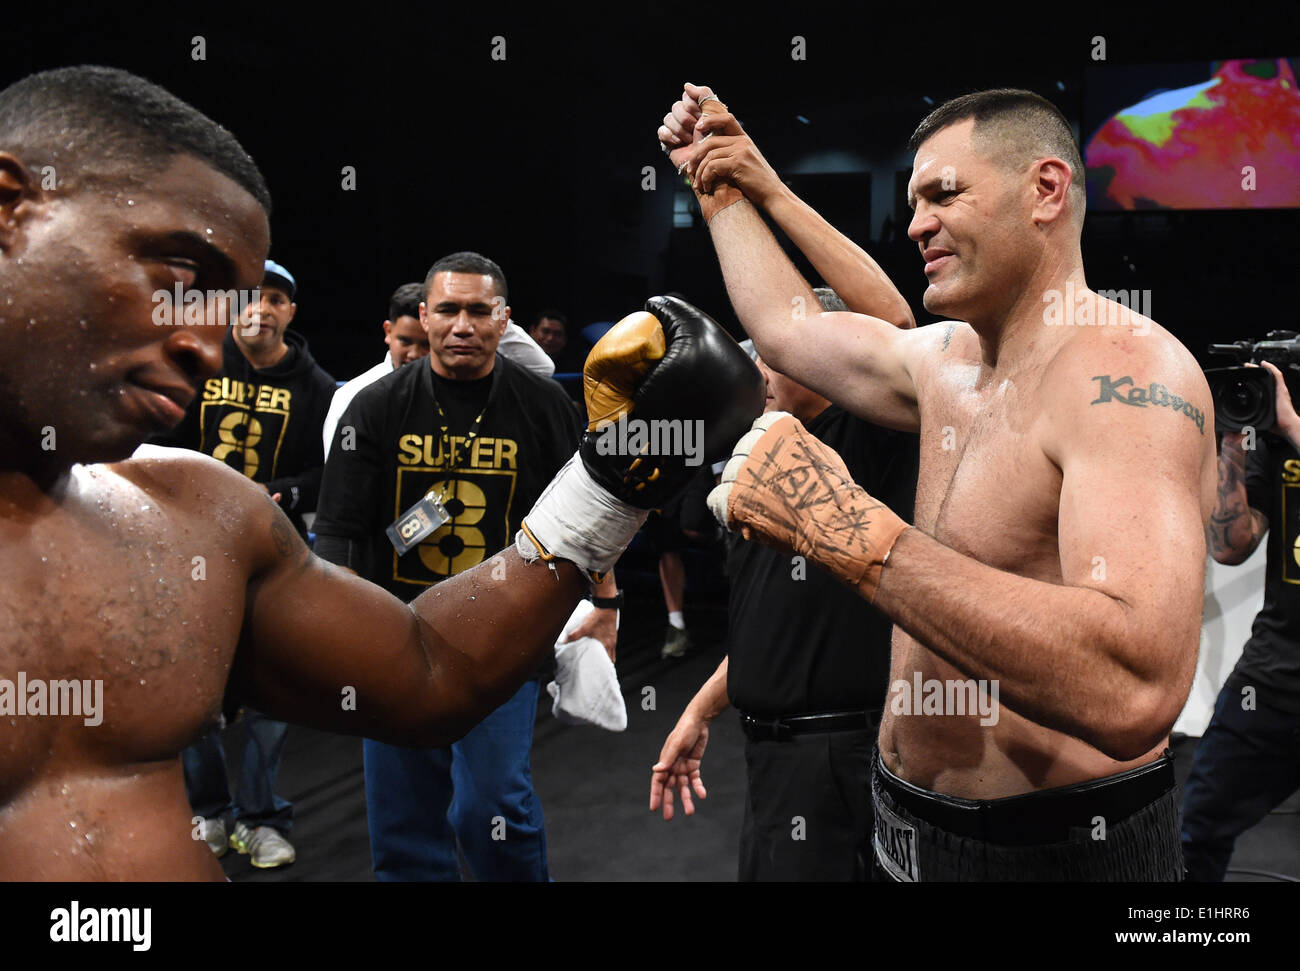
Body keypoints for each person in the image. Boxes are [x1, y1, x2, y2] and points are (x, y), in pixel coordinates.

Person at [0, 64, 763, 880]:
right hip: (397, 577)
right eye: (180, 281)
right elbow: (352, 533)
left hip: (480, 619)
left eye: (227, 300)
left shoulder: (201, 516)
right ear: (12, 207)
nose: (205, 336)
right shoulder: (370, 410)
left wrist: (618, 481)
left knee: (489, 806)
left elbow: (431, 670)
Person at [660, 82, 1217, 880]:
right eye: (915, 200)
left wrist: (846, 530)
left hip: (1056, 848)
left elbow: (1134, 689)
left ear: (1046, 190)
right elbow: (788, 329)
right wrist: (718, 184)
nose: (916, 222)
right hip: (904, 826)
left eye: (943, 194)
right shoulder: (943, 362)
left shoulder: (1122, 376)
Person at [312, 251, 618, 881]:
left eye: (479, 311)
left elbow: (591, 519)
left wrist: (606, 605)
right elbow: (339, 535)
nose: (462, 325)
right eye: (448, 309)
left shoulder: (543, 406)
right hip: (392, 637)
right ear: (422, 317)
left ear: (503, 320)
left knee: (490, 808)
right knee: (403, 823)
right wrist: (336, 637)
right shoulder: (372, 409)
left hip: (504, 638)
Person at [651, 288, 919, 880]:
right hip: (773, 756)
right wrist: (699, 711)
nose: (757, 368)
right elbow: (768, 623)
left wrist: (763, 193)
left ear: (830, 357)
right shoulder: (759, 457)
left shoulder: (868, 437)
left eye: (775, 353)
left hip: (838, 752)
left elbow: (894, 323)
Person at [154, 256, 335, 867]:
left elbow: (328, 472)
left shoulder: (318, 390)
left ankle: (260, 818)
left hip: (272, 558)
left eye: (275, 298)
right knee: (193, 686)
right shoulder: (195, 365)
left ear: (290, 311)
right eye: (248, 296)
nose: (259, 307)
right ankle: (208, 811)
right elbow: (158, 446)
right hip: (190, 551)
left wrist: (286, 491)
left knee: (269, 693)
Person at [1182, 359, 1300, 880]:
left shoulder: (1291, 425)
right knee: (1196, 830)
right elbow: (1231, 546)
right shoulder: (1277, 424)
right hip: (1277, 674)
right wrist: (1233, 434)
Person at [322, 282, 430, 459]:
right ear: (388, 331)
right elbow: (343, 471)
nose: (414, 354)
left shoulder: (452, 396)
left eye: (426, 344)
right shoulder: (351, 397)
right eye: (405, 341)